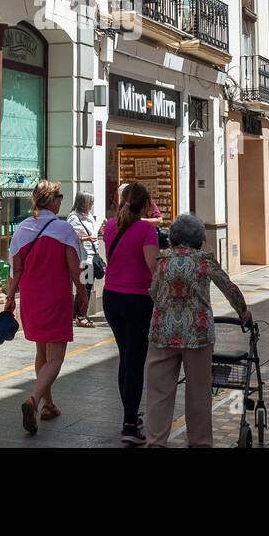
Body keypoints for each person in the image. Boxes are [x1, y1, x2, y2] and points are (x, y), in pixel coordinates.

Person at [144, 213, 250, 447]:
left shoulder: (163, 261)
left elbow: (152, 290)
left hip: (163, 332)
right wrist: (243, 312)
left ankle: (155, 442)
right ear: (199, 239)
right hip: (197, 333)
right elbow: (229, 287)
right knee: (198, 393)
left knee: (159, 393)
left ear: (173, 238)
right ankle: (200, 443)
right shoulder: (204, 260)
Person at [5, 180, 88, 435]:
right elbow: (75, 269)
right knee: (55, 357)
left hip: (31, 298)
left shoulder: (21, 229)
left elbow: (15, 270)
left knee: (41, 349)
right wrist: (82, 293)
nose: (61, 200)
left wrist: (9, 298)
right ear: (52, 201)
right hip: (56, 297)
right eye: (60, 196)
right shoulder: (63, 230)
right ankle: (34, 399)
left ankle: (48, 405)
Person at [101, 181, 161, 445]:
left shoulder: (110, 226)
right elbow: (153, 266)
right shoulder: (146, 230)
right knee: (135, 360)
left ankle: (130, 417)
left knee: (126, 357)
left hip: (111, 299)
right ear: (146, 205)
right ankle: (128, 424)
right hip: (137, 301)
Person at [67, 192, 101, 327]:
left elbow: (93, 231)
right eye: (90, 202)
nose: (92, 205)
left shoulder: (89, 216)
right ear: (83, 203)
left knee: (87, 286)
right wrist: (85, 238)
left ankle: (78, 314)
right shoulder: (74, 218)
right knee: (84, 287)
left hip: (92, 256)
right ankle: (80, 315)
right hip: (83, 257)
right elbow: (70, 235)